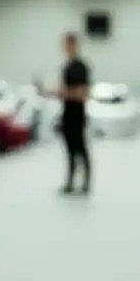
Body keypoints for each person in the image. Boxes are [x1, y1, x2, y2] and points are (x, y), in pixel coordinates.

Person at [56, 32, 91, 194]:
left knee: (81, 149)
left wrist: (63, 92)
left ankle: (85, 183)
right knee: (70, 151)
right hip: (67, 113)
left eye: (67, 44)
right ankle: (70, 182)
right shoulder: (66, 67)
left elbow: (83, 92)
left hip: (77, 114)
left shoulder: (81, 67)